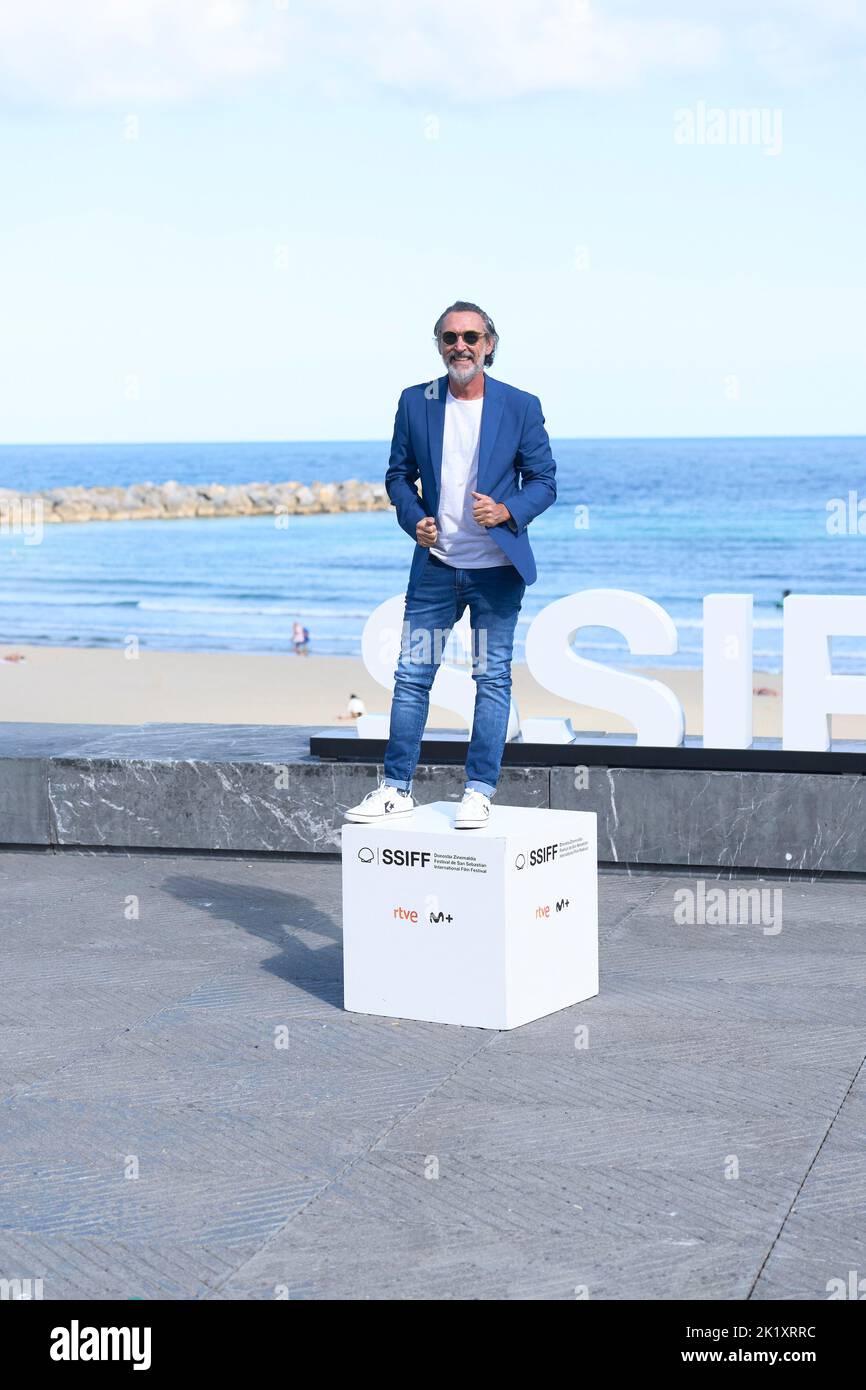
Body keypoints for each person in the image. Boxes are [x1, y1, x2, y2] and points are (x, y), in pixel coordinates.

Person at [345, 300, 556, 829]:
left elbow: (545, 481)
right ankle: (395, 788)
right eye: (449, 337)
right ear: (439, 345)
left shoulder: (521, 405)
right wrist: (414, 518)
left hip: (495, 575)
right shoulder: (416, 402)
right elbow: (398, 475)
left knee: (492, 679)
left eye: (471, 336)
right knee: (414, 676)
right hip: (436, 570)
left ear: (489, 344)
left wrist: (508, 510)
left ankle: (479, 792)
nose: (460, 345)